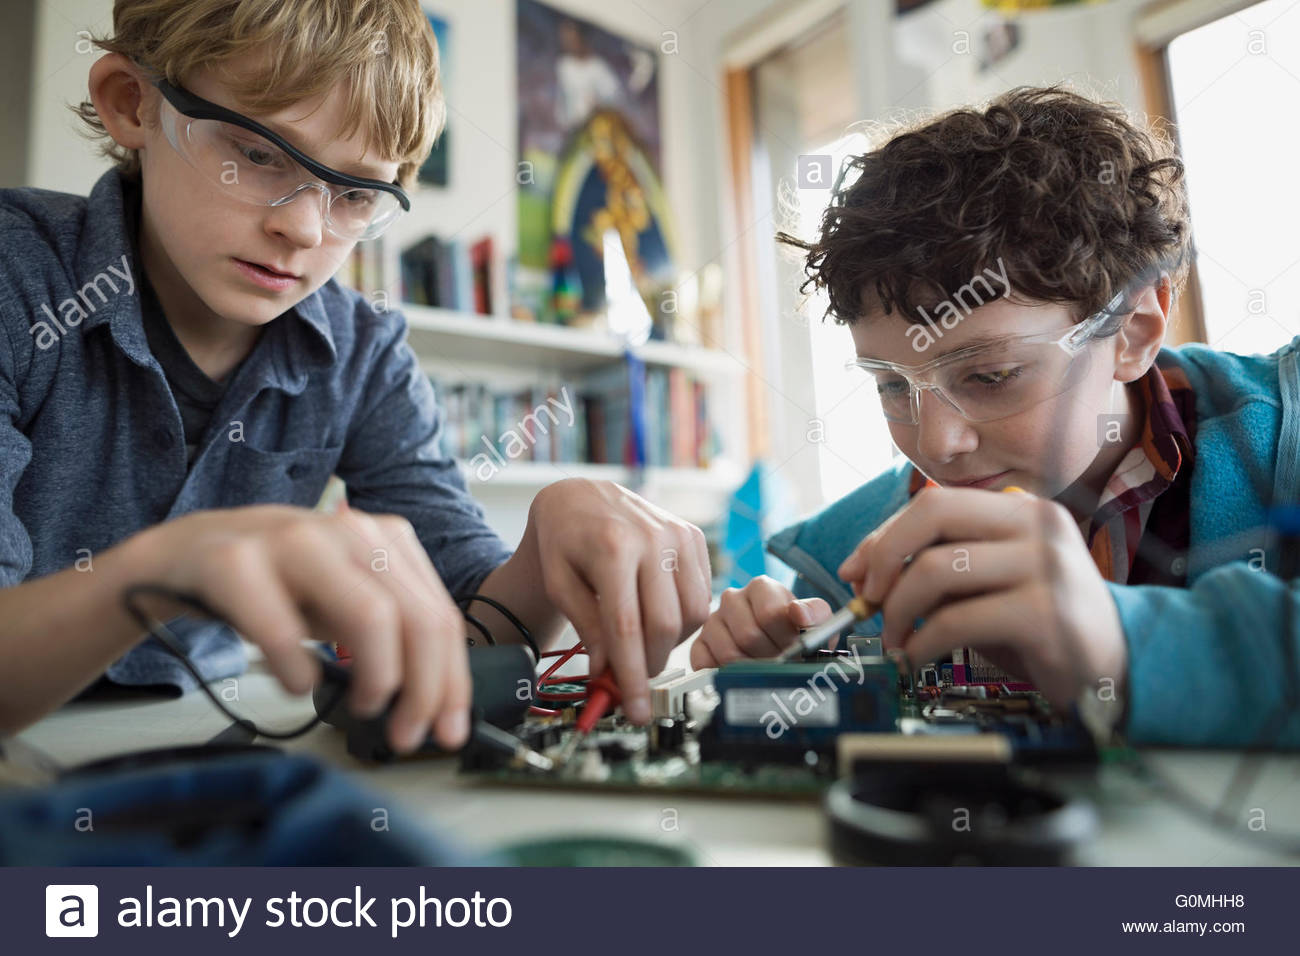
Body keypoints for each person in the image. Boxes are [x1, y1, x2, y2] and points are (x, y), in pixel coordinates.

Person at [0, 0, 711, 752]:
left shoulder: (362, 349)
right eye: (259, 153)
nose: (303, 229)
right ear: (131, 101)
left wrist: (544, 550)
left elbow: (468, 619)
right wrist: (168, 567)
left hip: (192, 737)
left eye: (356, 194)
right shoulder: (17, 275)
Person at [692, 86, 1300, 749]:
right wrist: (782, 667)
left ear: (1133, 331)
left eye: (990, 376)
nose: (936, 443)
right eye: (894, 386)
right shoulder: (842, 561)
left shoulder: (1280, 443)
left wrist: (1123, 645)